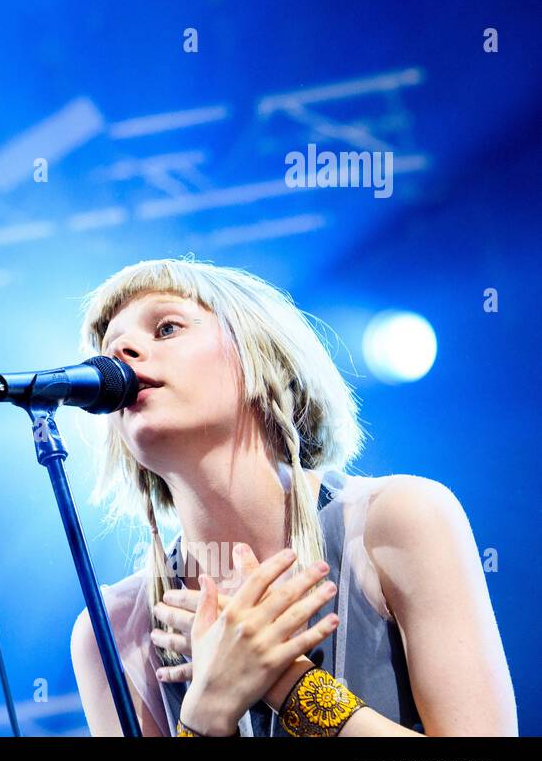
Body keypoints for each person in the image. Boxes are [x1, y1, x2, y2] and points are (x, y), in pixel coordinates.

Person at [69, 257, 516, 736]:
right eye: (112, 351)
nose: (124, 352)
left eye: (166, 328)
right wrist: (203, 716)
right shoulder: (111, 630)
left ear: (261, 357)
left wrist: (281, 679)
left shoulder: (402, 519)